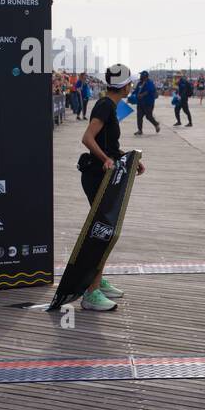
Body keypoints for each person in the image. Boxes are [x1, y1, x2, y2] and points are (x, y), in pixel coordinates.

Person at [79, 64, 144, 311]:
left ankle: (97, 280)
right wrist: (105, 159)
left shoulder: (111, 105)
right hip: (97, 175)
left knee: (106, 230)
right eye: (130, 82)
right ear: (124, 85)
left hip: (105, 174)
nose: (132, 86)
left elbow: (108, 143)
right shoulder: (106, 105)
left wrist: (131, 159)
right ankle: (91, 292)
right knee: (102, 232)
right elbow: (88, 138)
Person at [132, 70, 160, 135]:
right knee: (139, 117)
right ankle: (140, 130)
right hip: (140, 103)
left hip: (148, 103)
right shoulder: (139, 83)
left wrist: (142, 95)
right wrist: (132, 97)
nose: (140, 76)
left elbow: (150, 90)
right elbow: (136, 91)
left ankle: (156, 124)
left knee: (148, 116)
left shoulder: (149, 83)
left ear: (144, 76)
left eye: (141, 75)